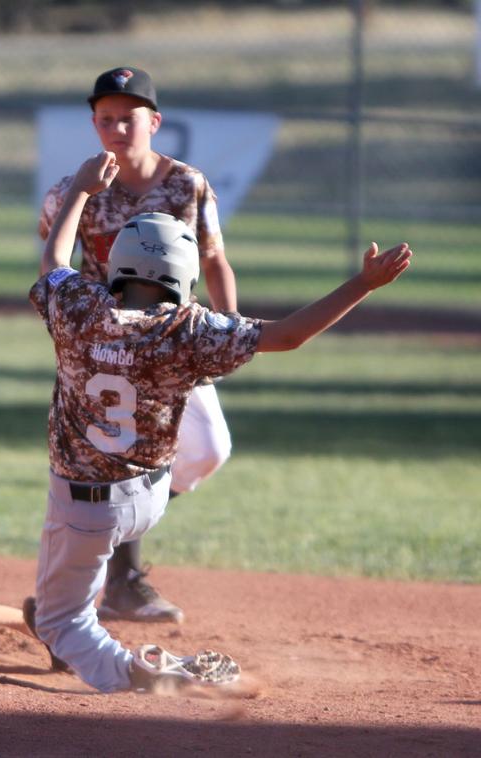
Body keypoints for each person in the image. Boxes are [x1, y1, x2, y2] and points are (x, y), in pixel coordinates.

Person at [25, 151, 410, 693]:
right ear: (183, 275)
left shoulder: (78, 308)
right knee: (74, 581)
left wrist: (82, 190)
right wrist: (363, 284)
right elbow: (288, 335)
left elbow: (53, 258)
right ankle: (99, 600)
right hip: (149, 496)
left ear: (116, 263)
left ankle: (148, 670)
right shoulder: (190, 329)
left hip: (85, 505)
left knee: (59, 622)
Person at [35, 66, 238, 626]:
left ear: (155, 122)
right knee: (111, 457)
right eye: (106, 119)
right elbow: (54, 253)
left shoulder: (187, 185)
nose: (117, 128)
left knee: (209, 449)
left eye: (129, 118)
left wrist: (227, 326)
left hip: (173, 343)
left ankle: (108, 555)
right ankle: (119, 578)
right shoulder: (74, 190)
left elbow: (214, 260)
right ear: (94, 125)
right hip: (105, 347)